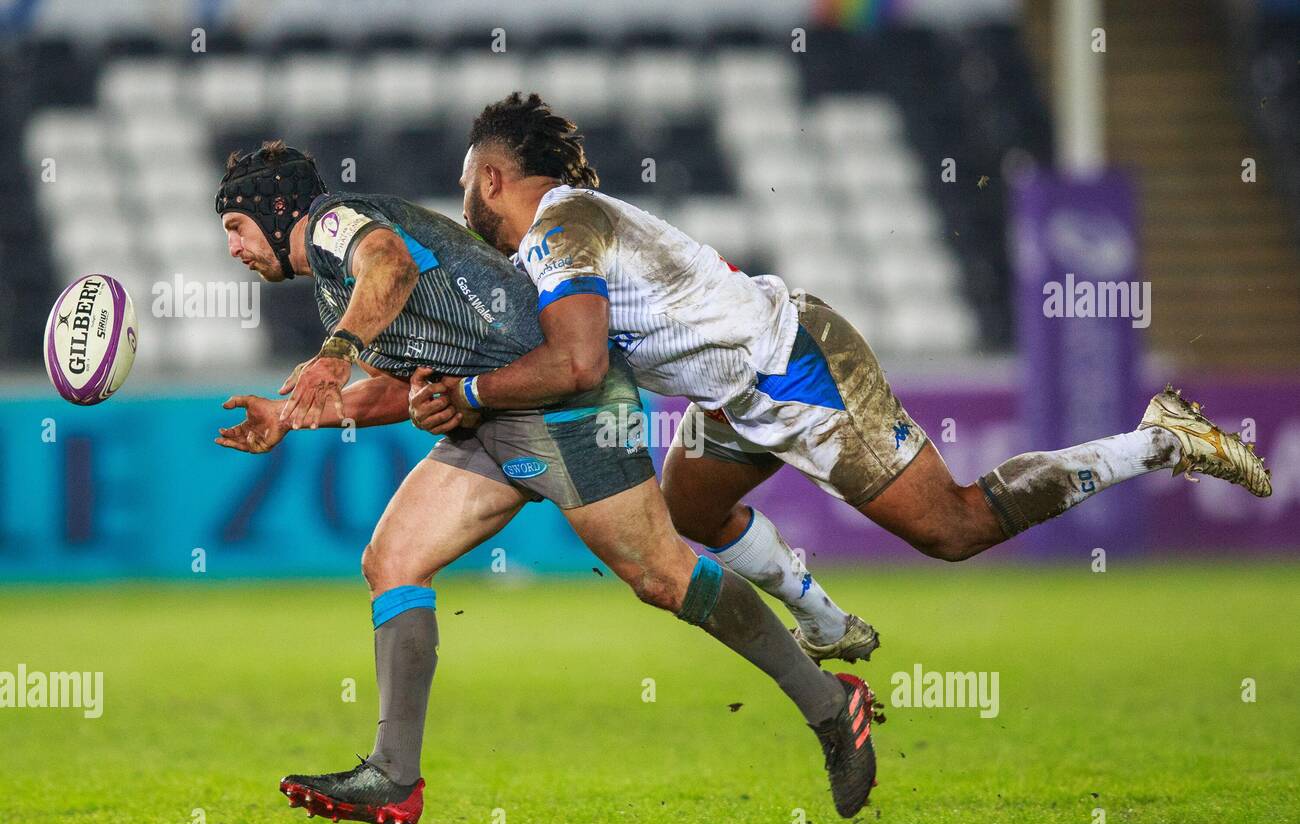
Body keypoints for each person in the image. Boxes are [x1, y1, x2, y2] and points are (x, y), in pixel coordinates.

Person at [409, 93, 1272, 669]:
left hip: (796, 364)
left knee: (955, 529)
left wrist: (475, 400)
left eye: (464, 189)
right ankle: (826, 624)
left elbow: (579, 365)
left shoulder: (559, 229)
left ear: (492, 177)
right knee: (691, 512)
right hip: (733, 394)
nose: (463, 209)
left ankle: (1156, 438)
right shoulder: (551, 244)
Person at [213, 141, 882, 824]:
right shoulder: (337, 289)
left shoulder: (333, 223)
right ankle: (393, 775)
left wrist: (334, 356)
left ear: (276, 207)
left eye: (235, 226)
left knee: (662, 577)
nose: (232, 247)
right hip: (491, 412)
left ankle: (831, 705)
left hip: (565, 400)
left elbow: (389, 263)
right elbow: (394, 389)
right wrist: (291, 416)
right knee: (393, 561)